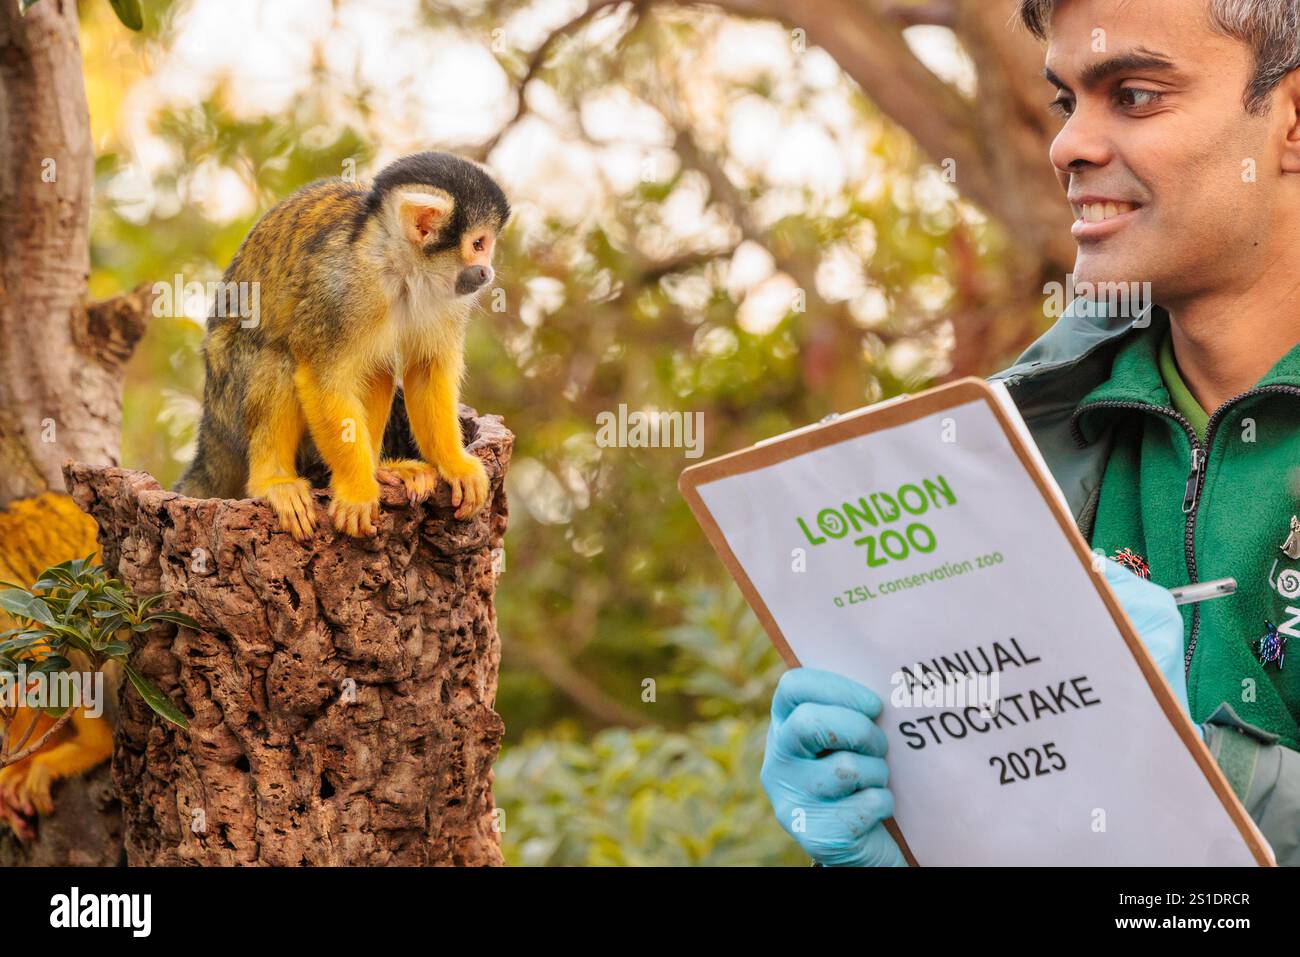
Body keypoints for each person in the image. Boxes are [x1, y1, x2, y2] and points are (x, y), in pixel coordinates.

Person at [762, 0, 1300, 866]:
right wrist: (903, 839)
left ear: (1291, 119)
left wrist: (1203, 770)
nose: (1069, 146)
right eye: (1065, 103)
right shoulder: (1003, 447)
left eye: (1131, 94)